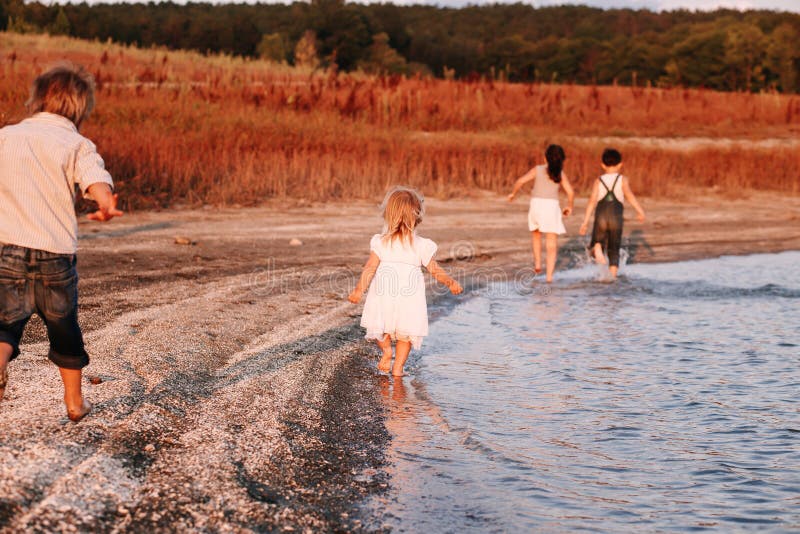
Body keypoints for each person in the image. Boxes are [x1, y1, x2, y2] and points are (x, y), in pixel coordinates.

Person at [0, 63, 122, 422]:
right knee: (64, 328)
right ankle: (74, 402)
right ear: (80, 107)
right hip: (55, 254)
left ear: (36, 98)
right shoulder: (77, 143)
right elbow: (96, 179)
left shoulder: (6, 136)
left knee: (5, 323)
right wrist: (106, 203)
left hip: (8, 250)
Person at [348, 187, 462, 376]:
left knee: (380, 325)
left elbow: (370, 268)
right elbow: (434, 269)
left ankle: (386, 351)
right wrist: (449, 283)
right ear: (417, 217)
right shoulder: (421, 245)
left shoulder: (381, 242)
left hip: (384, 294)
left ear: (388, 214)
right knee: (406, 335)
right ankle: (398, 368)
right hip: (410, 298)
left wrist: (359, 290)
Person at [507, 144, 575, 283]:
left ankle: (537, 264)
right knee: (551, 245)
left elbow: (520, 181)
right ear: (562, 160)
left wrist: (513, 194)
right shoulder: (560, 173)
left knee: (536, 234)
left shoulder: (538, 169)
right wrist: (569, 206)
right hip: (551, 207)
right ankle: (549, 278)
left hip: (536, 205)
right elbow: (571, 192)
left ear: (545, 158)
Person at [579, 148, 645, 279]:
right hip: (616, 217)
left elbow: (592, 201)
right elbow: (630, 196)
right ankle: (612, 279)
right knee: (614, 248)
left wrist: (585, 222)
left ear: (602, 165)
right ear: (620, 164)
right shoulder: (622, 179)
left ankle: (597, 247)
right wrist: (639, 210)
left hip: (601, 216)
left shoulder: (599, 180)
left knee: (595, 245)